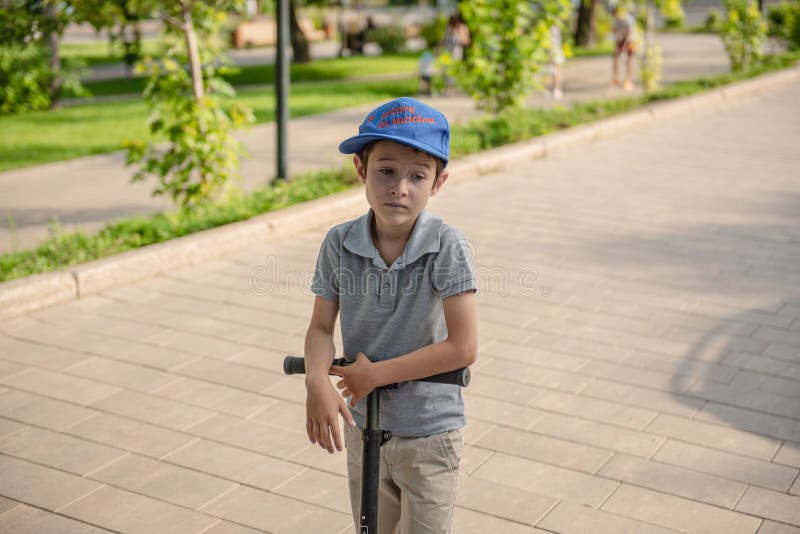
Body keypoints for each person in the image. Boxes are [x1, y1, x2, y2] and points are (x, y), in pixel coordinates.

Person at [303, 96, 478, 534]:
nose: (400, 187)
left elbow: (463, 347)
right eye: (386, 171)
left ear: (438, 182)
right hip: (365, 428)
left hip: (430, 432)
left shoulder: (446, 245)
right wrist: (316, 380)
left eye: (417, 176)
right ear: (361, 169)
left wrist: (375, 375)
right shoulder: (339, 243)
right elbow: (321, 327)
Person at [442, 12, 470, 95]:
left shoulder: (462, 27)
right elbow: (444, 39)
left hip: (457, 51)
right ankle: (448, 87)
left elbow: (466, 41)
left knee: (454, 69)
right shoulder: (448, 27)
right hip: (447, 50)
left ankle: (453, 88)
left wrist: (458, 32)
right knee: (446, 69)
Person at [612, 4, 638, 90]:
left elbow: (629, 32)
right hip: (620, 40)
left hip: (630, 41)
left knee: (629, 60)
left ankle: (628, 79)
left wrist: (624, 46)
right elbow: (615, 31)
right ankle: (616, 78)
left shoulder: (628, 18)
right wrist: (617, 44)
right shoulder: (616, 19)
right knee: (616, 58)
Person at [548, 23, 565, 99]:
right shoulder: (557, 27)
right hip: (555, 51)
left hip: (555, 52)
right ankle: (556, 89)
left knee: (556, 72)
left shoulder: (553, 28)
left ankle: (557, 89)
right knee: (554, 71)